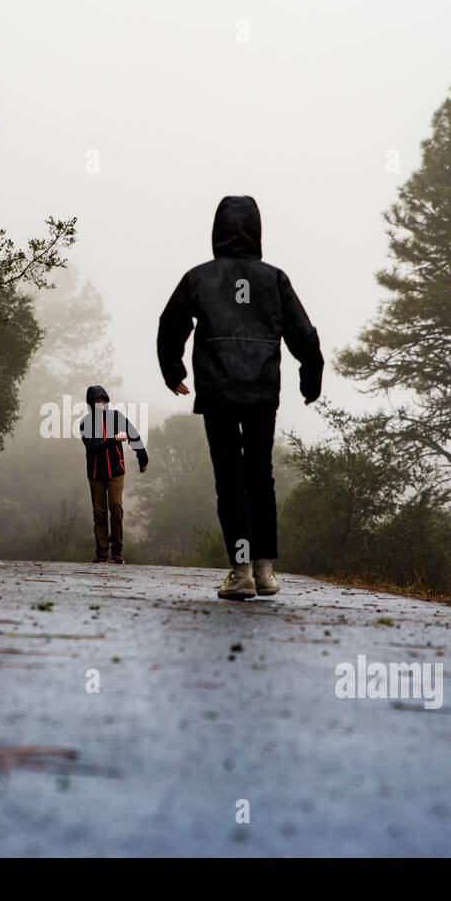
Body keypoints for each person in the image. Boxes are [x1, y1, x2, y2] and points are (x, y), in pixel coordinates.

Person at [156, 195, 323, 599]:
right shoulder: (274, 278)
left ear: (217, 230)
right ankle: (266, 571)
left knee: (230, 478)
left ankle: (242, 569)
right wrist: (309, 379)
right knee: (260, 475)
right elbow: (305, 333)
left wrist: (173, 371)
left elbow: (169, 325)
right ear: (257, 230)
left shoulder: (199, 277)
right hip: (262, 390)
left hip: (218, 391)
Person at [79, 384, 148, 563]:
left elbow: (133, 435)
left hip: (116, 472)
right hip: (95, 475)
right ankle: (102, 553)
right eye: (96, 400)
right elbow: (93, 446)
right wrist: (114, 439)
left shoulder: (117, 417)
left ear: (107, 401)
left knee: (116, 507)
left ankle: (117, 551)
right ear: (91, 403)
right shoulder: (85, 423)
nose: (100, 403)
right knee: (99, 513)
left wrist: (143, 458)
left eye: (103, 400)